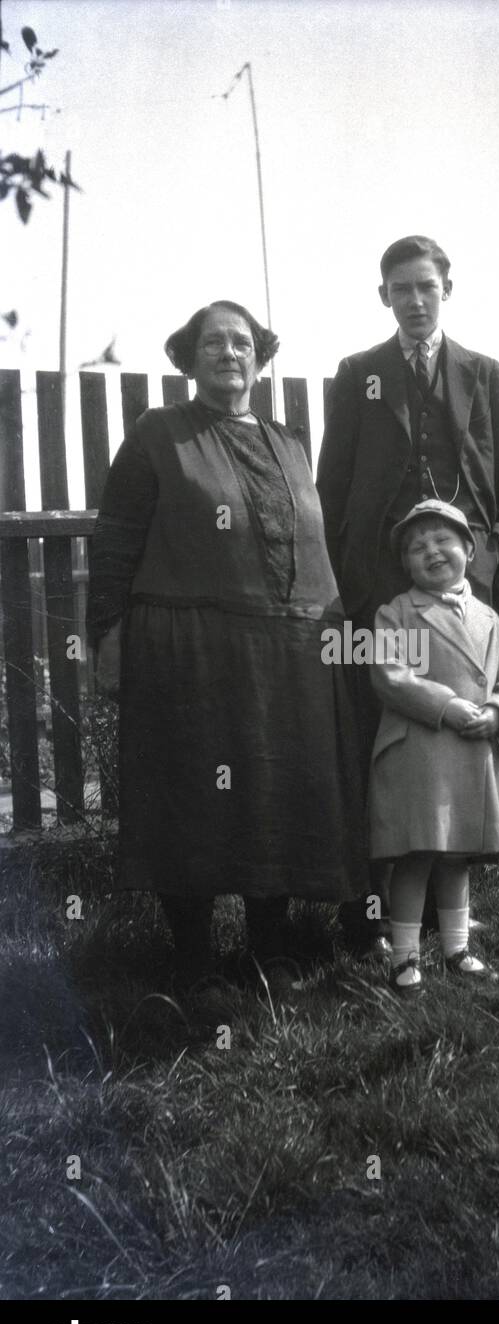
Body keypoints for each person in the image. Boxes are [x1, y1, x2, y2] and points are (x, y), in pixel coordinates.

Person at [86, 299, 366, 989]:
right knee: (193, 796)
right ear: (187, 357)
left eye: (243, 342)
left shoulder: (289, 442)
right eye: (213, 343)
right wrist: (106, 638)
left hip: (287, 656)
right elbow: (117, 542)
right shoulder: (158, 435)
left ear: (260, 357)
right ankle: (193, 961)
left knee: (273, 793)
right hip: (190, 650)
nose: (230, 353)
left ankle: (268, 951)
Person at [317, 234, 499, 955]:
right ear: (384, 296)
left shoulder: (483, 372)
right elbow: (332, 488)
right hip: (384, 593)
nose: (414, 300)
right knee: (386, 745)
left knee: (464, 744)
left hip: (466, 594)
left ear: (448, 288)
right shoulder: (359, 375)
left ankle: (452, 917)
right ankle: (371, 914)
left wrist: (495, 556)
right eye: (400, 288)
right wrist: (352, 584)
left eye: (426, 287)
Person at [368, 500, 499, 995]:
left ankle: (458, 948)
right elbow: (391, 676)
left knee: (457, 856)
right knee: (417, 855)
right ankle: (405, 958)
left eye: (443, 542)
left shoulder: (489, 619)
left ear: (468, 549)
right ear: (406, 563)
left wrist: (498, 713)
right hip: (421, 751)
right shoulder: (396, 613)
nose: (431, 552)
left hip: (473, 753)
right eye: (417, 548)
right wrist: (448, 706)